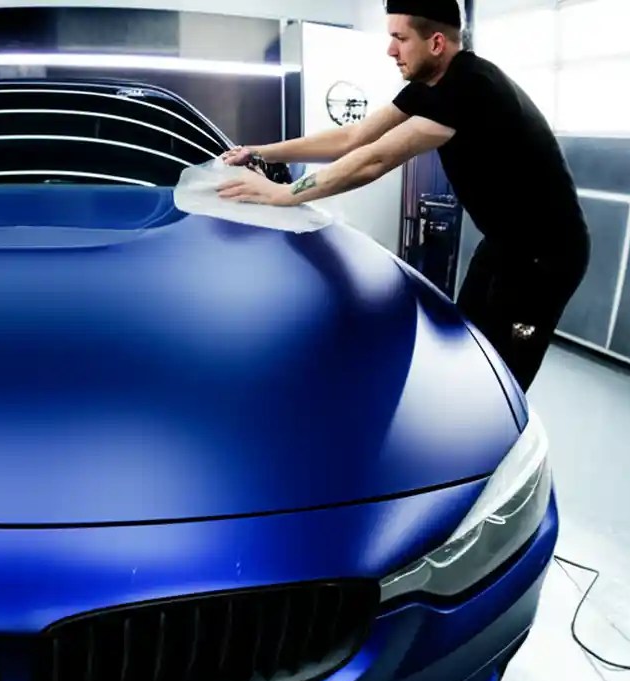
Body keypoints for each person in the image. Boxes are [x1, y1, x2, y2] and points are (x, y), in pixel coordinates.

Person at [216, 0, 589, 392]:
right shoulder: (429, 86)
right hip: (503, 243)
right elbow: (352, 137)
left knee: (501, 374)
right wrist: (259, 151)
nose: (390, 49)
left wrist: (284, 194)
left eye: (399, 38)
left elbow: (373, 160)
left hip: (546, 257)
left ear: (437, 43)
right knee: (466, 342)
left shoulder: (472, 86)